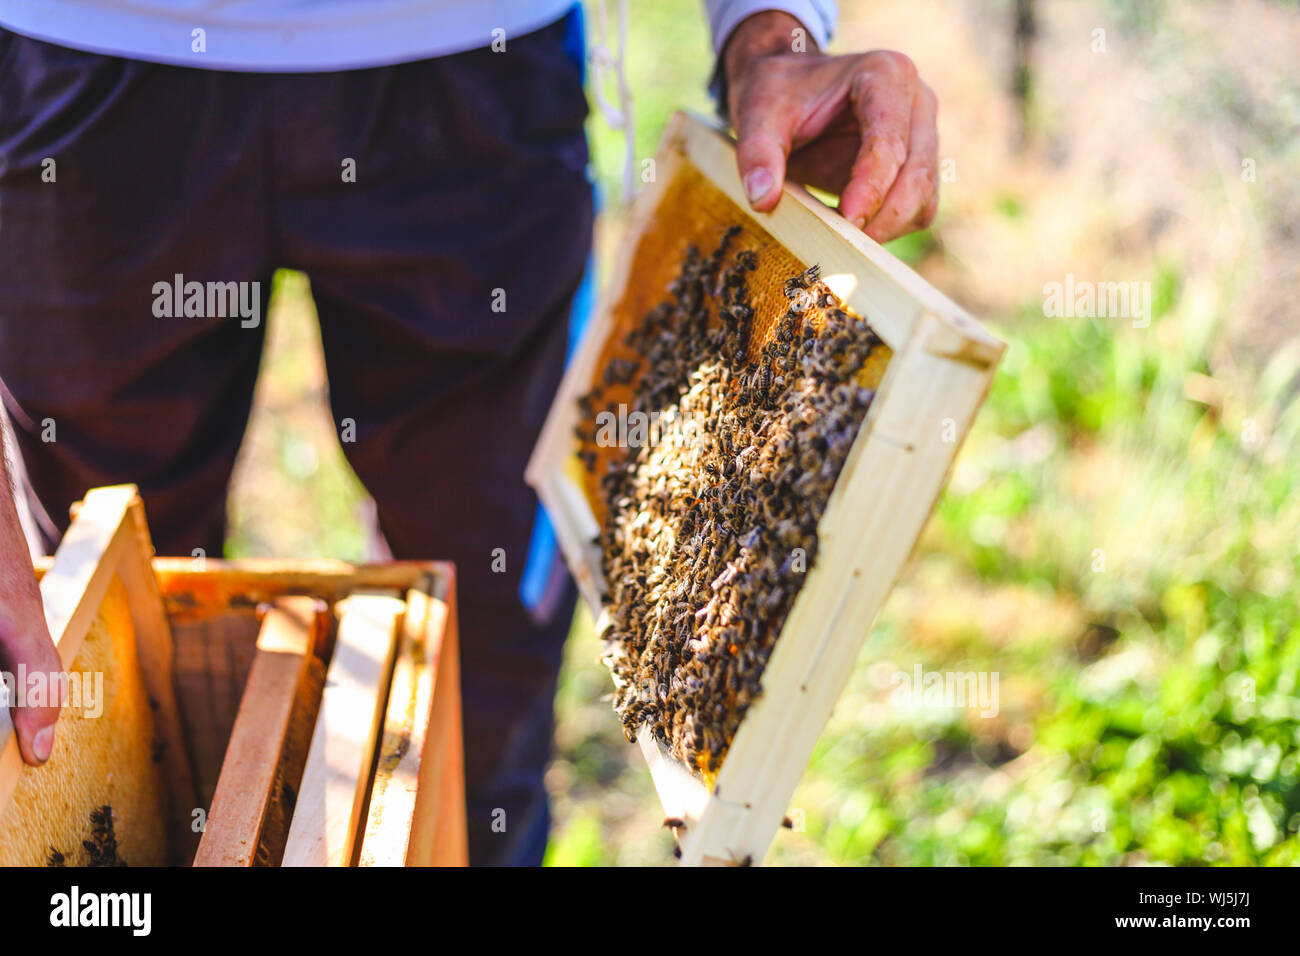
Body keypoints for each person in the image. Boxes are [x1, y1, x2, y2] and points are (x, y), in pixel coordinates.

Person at [0, 0, 938, 865]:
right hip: (88, 70)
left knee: (476, 698)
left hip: (474, 80)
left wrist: (772, 30)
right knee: (92, 673)